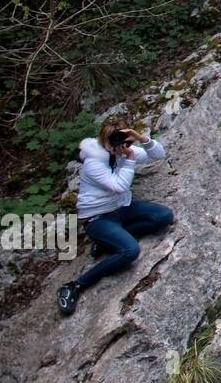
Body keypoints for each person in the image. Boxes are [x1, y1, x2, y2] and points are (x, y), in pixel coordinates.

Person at [56, 119, 174, 316]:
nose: (118, 148)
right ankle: (74, 286)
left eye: (123, 141)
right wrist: (128, 159)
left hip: (122, 209)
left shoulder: (125, 151)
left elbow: (159, 154)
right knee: (130, 251)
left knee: (164, 216)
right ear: (104, 142)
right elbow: (119, 186)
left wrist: (141, 138)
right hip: (98, 218)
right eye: (114, 143)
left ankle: (108, 242)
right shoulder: (94, 162)